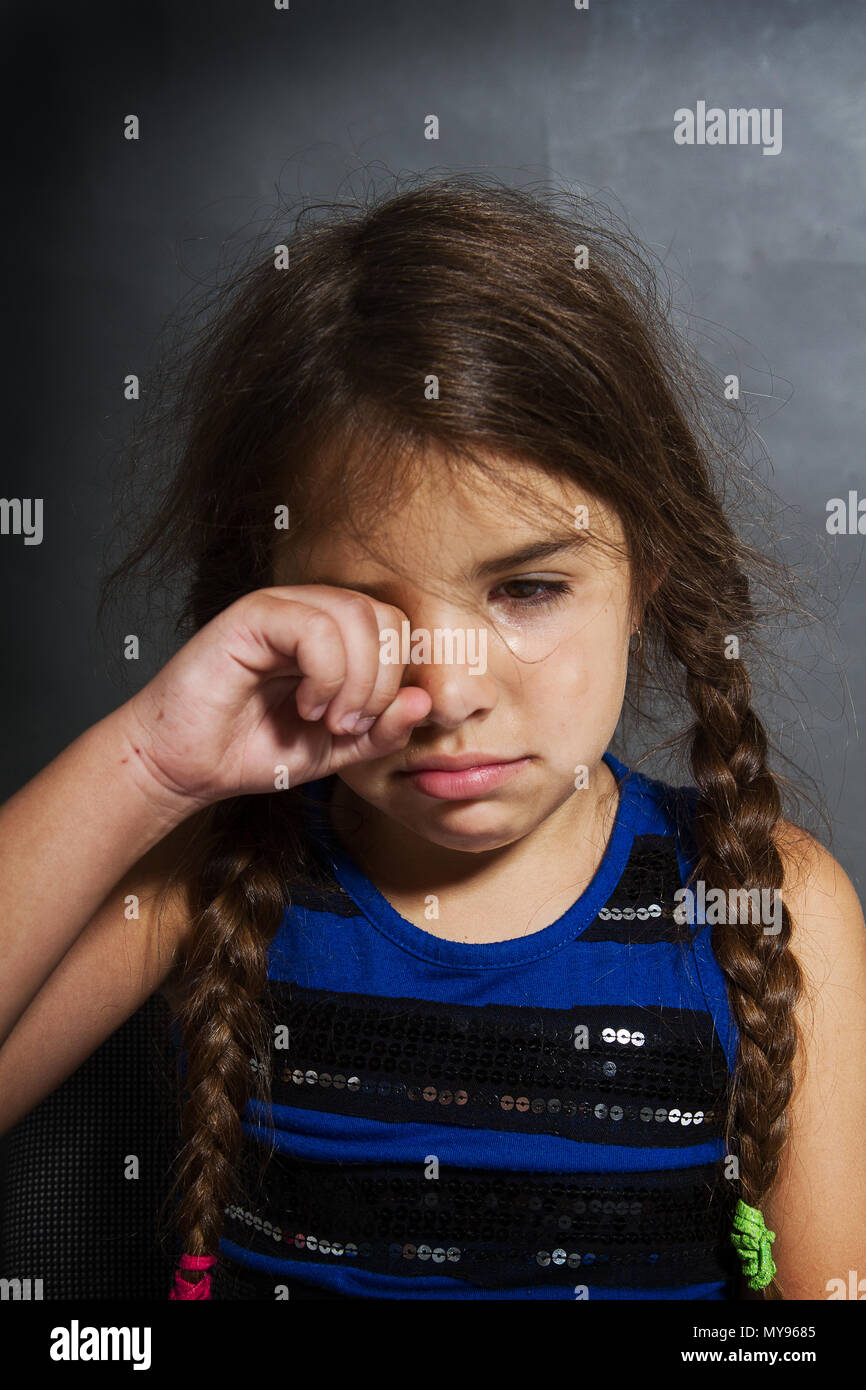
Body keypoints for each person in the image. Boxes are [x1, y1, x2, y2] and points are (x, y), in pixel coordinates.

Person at [1, 175, 864, 1301]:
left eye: (527, 587)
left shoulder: (766, 897)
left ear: (643, 578)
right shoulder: (210, 864)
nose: (449, 693)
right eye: (370, 615)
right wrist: (149, 766)